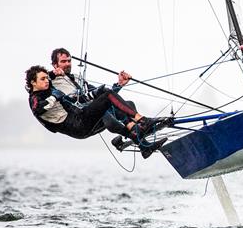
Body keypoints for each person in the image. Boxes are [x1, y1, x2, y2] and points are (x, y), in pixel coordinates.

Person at [25, 62, 170, 159]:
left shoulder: (54, 85)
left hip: (81, 116)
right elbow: (38, 108)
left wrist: (97, 93)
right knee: (108, 99)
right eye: (42, 79)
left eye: (46, 78)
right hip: (77, 125)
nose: (46, 81)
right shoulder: (35, 98)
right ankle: (142, 122)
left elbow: (81, 100)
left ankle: (142, 144)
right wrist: (54, 96)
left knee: (112, 97)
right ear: (33, 82)